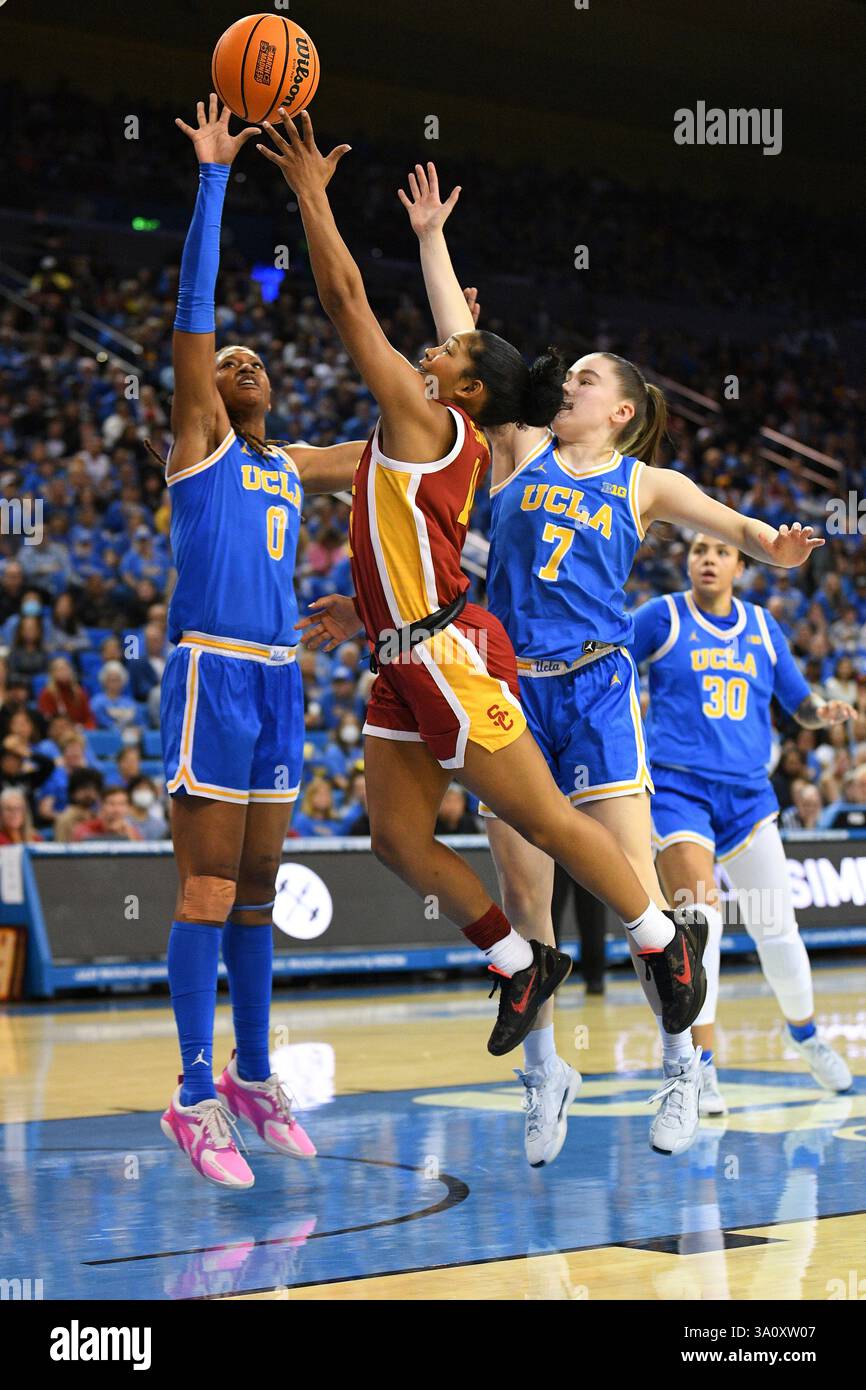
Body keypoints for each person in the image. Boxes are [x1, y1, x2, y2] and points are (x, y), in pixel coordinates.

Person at [262, 113, 709, 1089]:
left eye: (452, 350)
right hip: (402, 650)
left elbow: (342, 301)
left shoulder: (428, 420)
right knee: (394, 838)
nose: (436, 348)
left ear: (466, 391)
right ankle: (521, 959)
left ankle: (652, 937)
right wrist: (352, 599)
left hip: (464, 655)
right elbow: (329, 476)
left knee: (547, 824)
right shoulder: (425, 429)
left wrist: (309, 192)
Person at [395, 162, 823, 1163]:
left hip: (594, 686)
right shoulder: (514, 449)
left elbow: (741, 528)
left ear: (620, 411)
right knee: (528, 899)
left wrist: (777, 543)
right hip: (510, 691)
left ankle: (685, 1069)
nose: (566, 383)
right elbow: (469, 350)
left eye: (584, 378)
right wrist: (428, 239)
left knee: (638, 887)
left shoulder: (644, 482)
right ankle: (543, 1072)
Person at [156, 96, 366, 1190]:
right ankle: (190, 1093)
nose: (239, 356)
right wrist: (211, 176)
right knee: (202, 887)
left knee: (259, 884)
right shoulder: (199, 446)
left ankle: (249, 1071)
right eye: (224, 359)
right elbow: (194, 316)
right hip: (211, 674)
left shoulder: (291, 463)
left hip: (281, 680)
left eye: (252, 355)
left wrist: (447, 341)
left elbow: (403, 434)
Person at [632, 534, 853, 1115]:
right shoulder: (662, 616)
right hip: (679, 789)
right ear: (687, 559)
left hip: (748, 796)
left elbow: (798, 701)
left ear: (738, 564)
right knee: (699, 924)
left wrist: (822, 713)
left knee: (776, 929)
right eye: (699, 547)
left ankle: (804, 1034)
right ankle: (701, 1066)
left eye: (721, 551)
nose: (707, 557)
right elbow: (609, 665)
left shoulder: (760, 626)